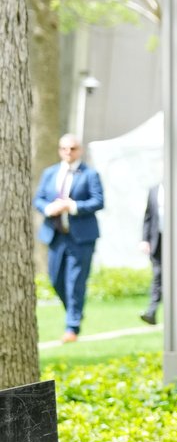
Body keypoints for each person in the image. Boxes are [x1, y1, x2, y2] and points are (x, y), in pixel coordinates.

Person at [33, 134, 104, 342]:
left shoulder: (90, 174)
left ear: (79, 150)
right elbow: (39, 199)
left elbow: (98, 201)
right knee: (56, 280)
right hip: (56, 235)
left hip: (81, 237)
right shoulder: (50, 173)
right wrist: (49, 208)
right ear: (59, 150)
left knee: (75, 282)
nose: (68, 152)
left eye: (72, 148)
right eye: (64, 148)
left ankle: (72, 327)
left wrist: (72, 206)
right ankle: (75, 312)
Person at [139, 183, 162, 325]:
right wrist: (145, 239)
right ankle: (151, 311)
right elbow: (148, 216)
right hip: (157, 241)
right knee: (158, 276)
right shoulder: (154, 190)